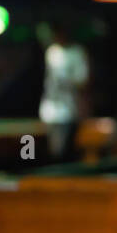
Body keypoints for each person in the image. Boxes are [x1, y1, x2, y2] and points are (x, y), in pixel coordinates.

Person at [38, 21, 89, 164]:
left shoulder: (77, 52)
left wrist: (66, 81)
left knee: (64, 152)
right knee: (50, 151)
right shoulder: (51, 52)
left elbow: (83, 81)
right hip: (49, 109)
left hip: (69, 110)